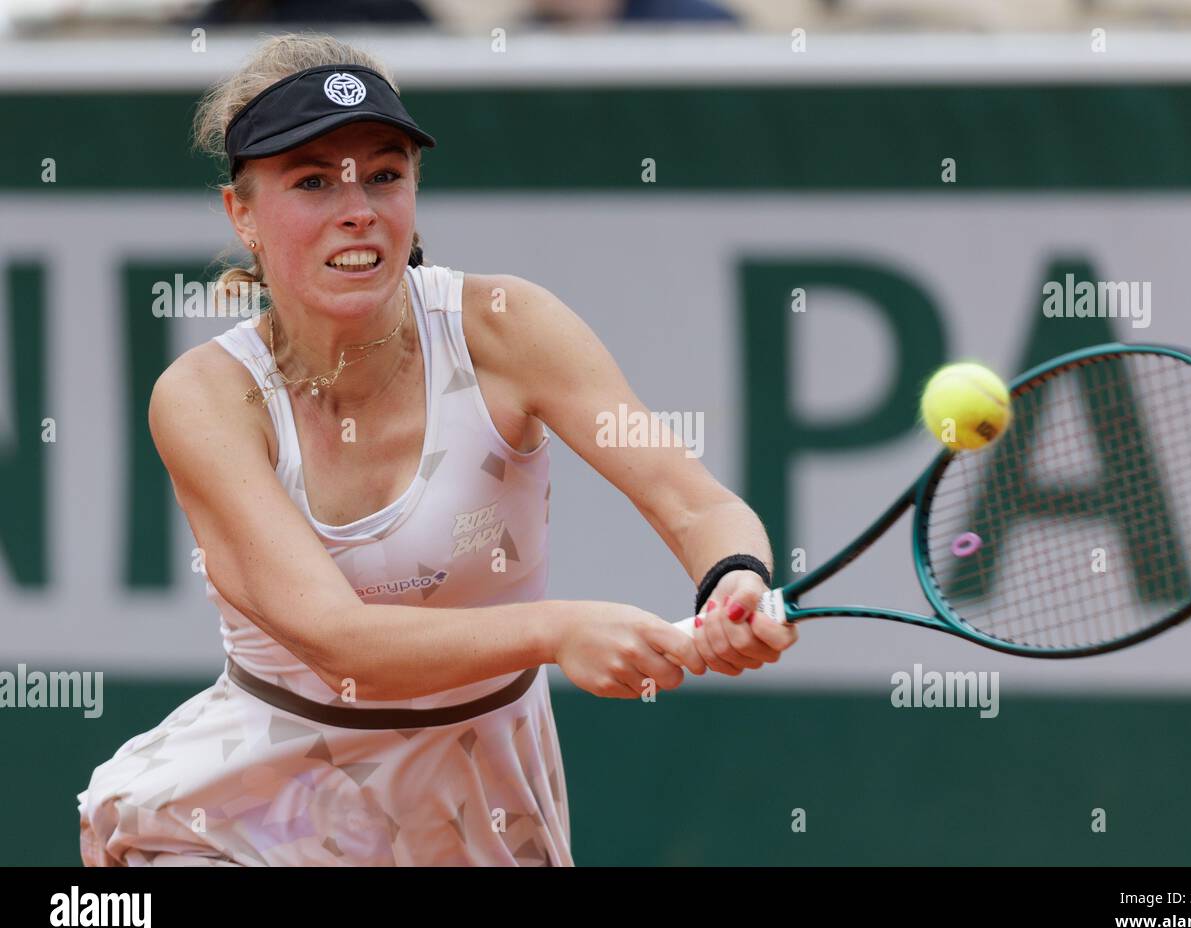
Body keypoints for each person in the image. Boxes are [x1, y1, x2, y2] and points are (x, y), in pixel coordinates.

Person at [77, 32, 796, 867]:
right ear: (242, 214)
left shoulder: (508, 327)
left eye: (385, 174)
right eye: (312, 182)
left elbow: (696, 502)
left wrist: (732, 578)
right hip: (255, 810)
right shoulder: (206, 398)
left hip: (481, 801)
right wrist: (561, 630)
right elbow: (342, 643)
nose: (359, 208)